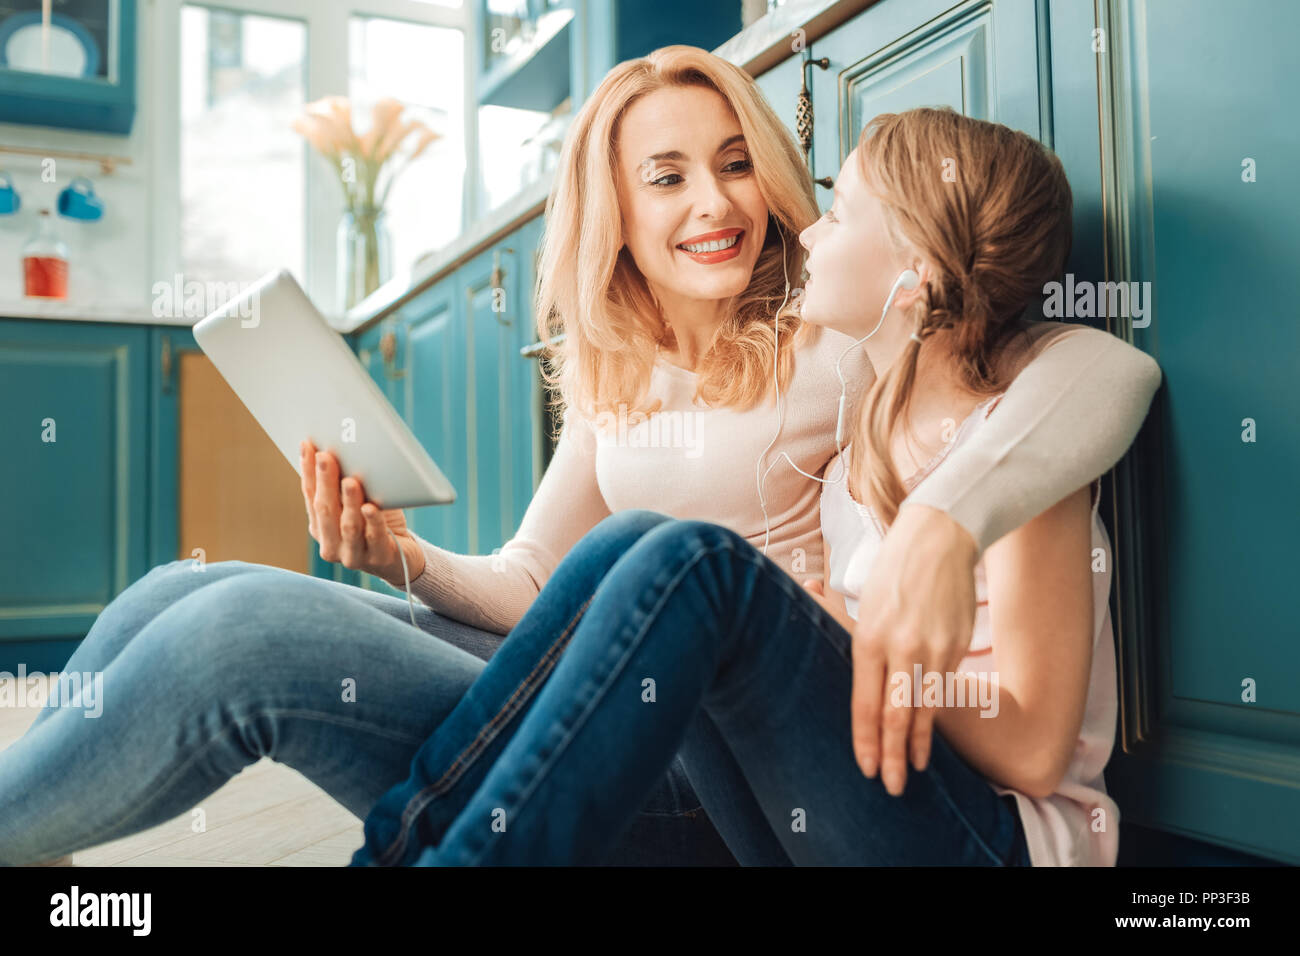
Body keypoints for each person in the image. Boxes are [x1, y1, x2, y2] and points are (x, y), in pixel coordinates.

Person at [0, 48, 1157, 867]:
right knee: (191, 588)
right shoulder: (670, 365)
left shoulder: (848, 344)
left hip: (731, 745)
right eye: (667, 176)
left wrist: (953, 521)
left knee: (244, 641)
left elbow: (1090, 375)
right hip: (666, 694)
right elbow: (536, 578)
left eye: (739, 162)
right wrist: (401, 559)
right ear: (613, 208)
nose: (738, 207)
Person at [354, 107, 1139, 867]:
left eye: (839, 212)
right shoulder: (866, 428)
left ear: (917, 273)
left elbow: (1035, 752)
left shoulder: (1019, 464)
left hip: (991, 837)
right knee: (629, 540)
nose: (808, 229)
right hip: (837, 807)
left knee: (689, 558)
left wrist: (859, 650)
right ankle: (414, 849)